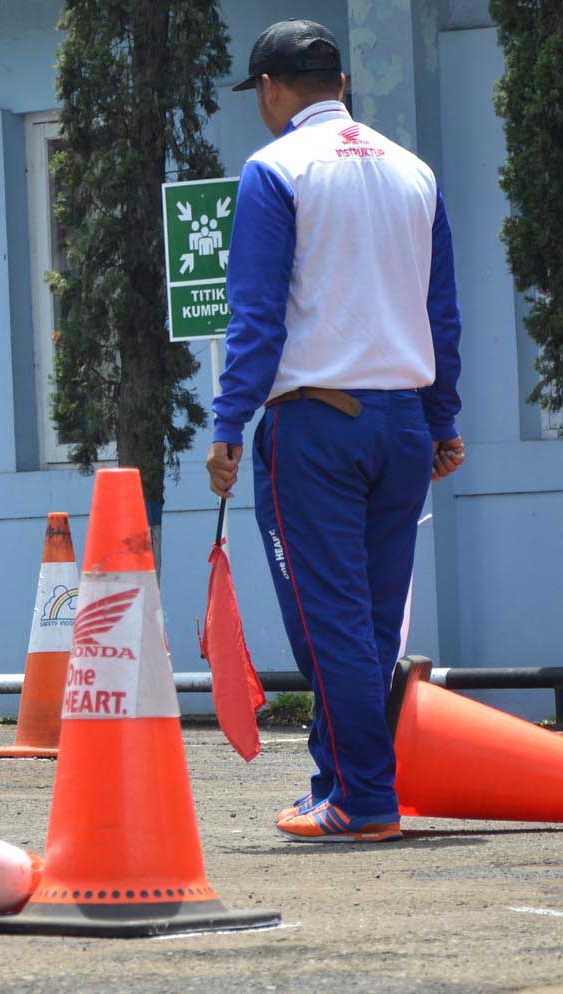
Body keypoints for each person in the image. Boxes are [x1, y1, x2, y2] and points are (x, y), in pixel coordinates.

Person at [206, 20, 464, 843]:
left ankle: (363, 798)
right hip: (402, 422)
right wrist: (442, 417)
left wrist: (229, 421)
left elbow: (256, 315)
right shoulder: (414, 171)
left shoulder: (275, 169)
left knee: (330, 622)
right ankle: (341, 784)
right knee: (373, 622)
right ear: (342, 84)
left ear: (272, 89)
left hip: (318, 425)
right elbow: (441, 312)